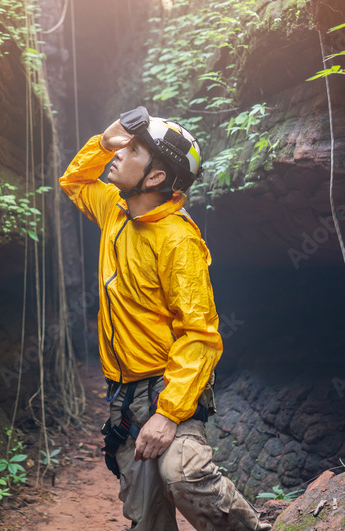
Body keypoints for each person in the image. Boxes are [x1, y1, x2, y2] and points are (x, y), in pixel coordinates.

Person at [59, 107, 270, 531]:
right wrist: (105, 140)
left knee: (182, 472)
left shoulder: (178, 239)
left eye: (132, 149)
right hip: (124, 392)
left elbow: (200, 335)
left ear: (155, 177)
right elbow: (75, 180)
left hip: (171, 385)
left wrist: (169, 413)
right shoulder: (115, 213)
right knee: (147, 513)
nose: (119, 152)